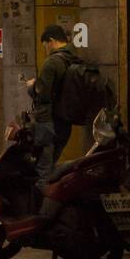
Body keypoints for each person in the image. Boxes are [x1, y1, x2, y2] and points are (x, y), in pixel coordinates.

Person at [28, 24, 79, 192]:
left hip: (47, 123)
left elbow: (42, 94)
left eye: (45, 46)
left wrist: (32, 86)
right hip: (65, 122)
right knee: (52, 166)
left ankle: (42, 209)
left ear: (51, 41)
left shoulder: (52, 62)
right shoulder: (74, 59)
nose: (45, 49)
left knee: (43, 170)